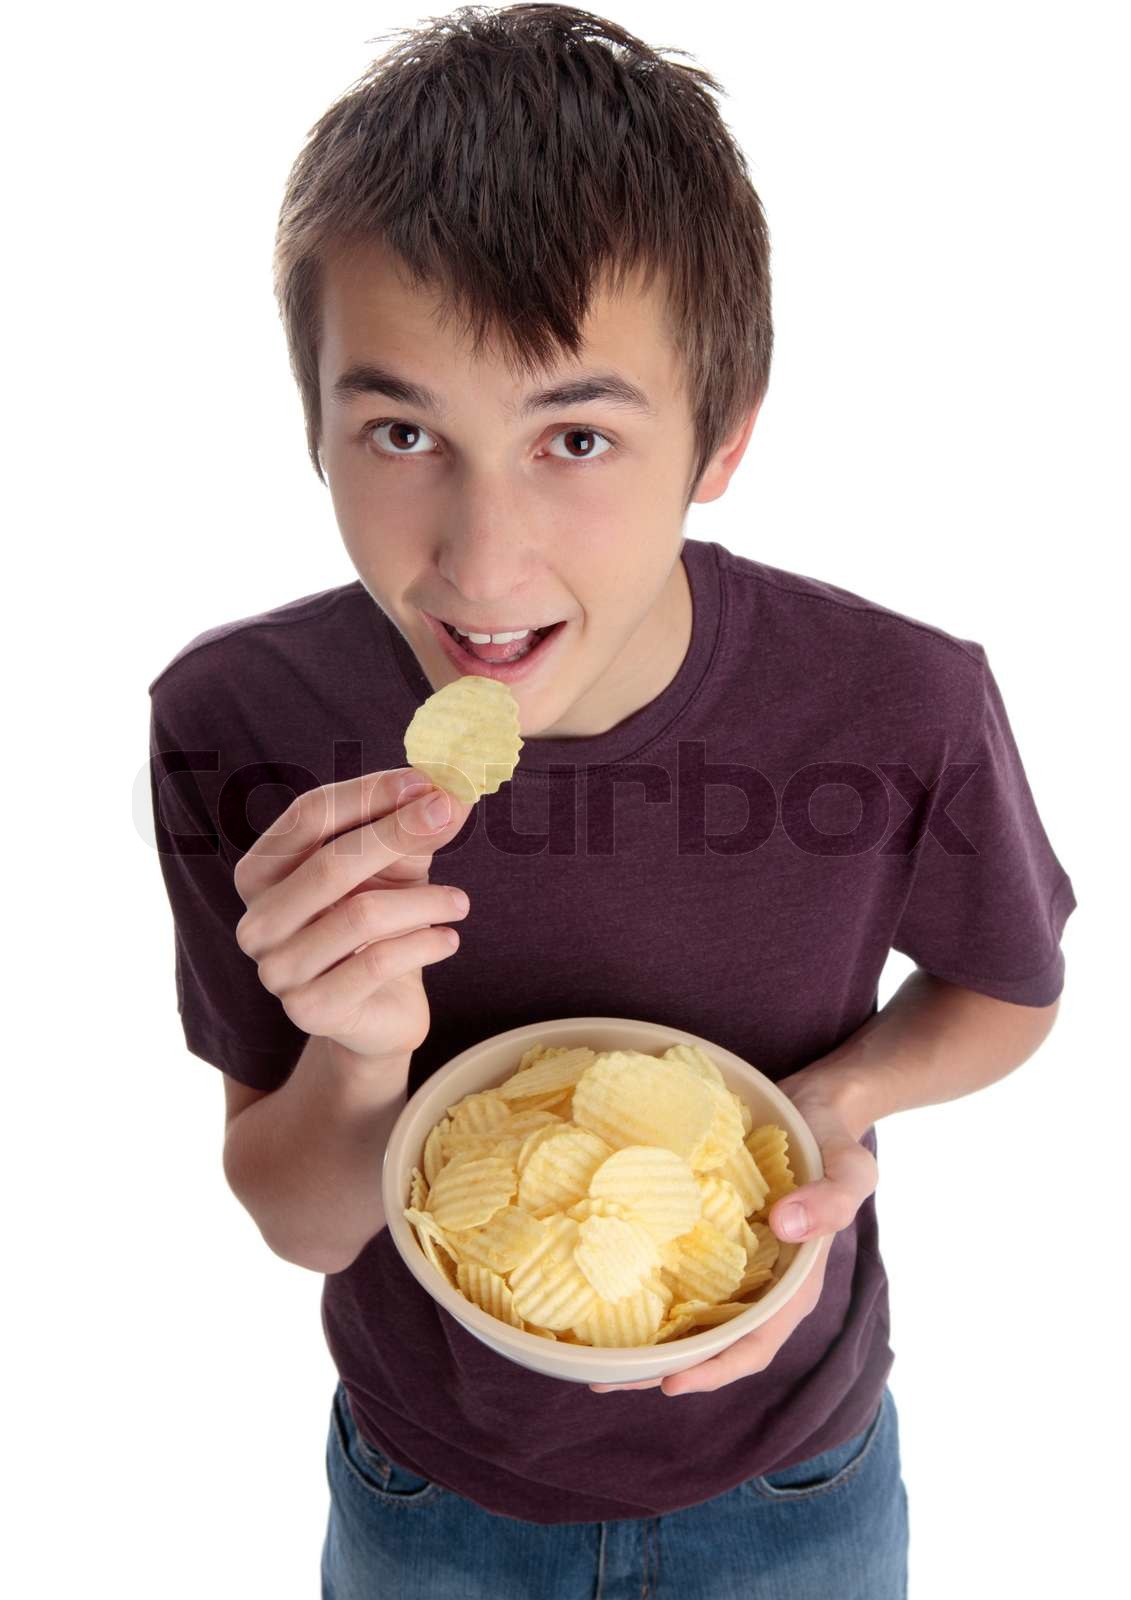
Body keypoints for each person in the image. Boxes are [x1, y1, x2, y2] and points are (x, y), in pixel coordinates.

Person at [147, 8, 1077, 1596]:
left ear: (724, 436)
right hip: (427, 1490)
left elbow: (1011, 991)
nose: (479, 558)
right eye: (401, 431)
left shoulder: (903, 702)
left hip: (799, 1475)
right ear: (309, 423)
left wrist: (824, 1118)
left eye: (576, 435)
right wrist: (362, 1054)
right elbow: (301, 1220)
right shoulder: (242, 724)